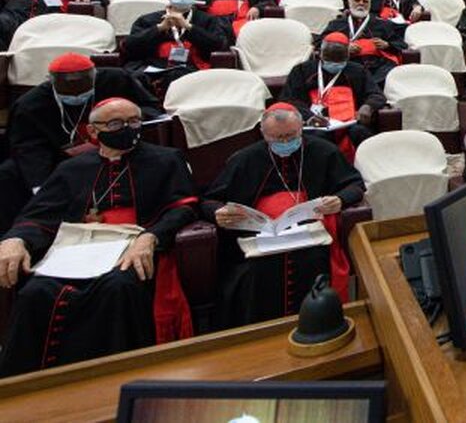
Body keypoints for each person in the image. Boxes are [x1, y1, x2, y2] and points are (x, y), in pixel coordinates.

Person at [0, 98, 198, 375]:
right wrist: (16, 239)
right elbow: (39, 215)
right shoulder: (72, 168)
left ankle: (113, 376)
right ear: (93, 131)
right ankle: (28, 382)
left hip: (132, 247)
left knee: (117, 287)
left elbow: (183, 208)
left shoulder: (165, 160)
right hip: (76, 248)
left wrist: (150, 237)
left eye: (134, 121)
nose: (128, 128)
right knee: (35, 292)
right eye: (116, 123)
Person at [204, 103, 364, 328]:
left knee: (314, 260)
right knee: (254, 272)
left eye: (292, 135)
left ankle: (319, 326)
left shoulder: (324, 151)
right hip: (259, 238)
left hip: (312, 234)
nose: (286, 142)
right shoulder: (245, 159)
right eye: (278, 138)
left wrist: (340, 199)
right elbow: (209, 200)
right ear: (263, 134)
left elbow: (355, 184)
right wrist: (218, 212)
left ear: (301, 128)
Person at [0, 53, 161, 229]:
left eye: (82, 91)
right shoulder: (30, 104)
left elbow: (151, 109)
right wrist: (42, 187)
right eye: (68, 93)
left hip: (120, 148)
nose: (76, 96)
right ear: (51, 82)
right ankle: (22, 230)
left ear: (94, 76)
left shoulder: (116, 81)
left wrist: (120, 125)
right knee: (8, 173)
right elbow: (28, 147)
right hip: (59, 160)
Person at [279, 32, 385, 158]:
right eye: (329, 58)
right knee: (315, 138)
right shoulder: (302, 70)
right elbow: (288, 99)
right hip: (313, 124)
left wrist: (368, 106)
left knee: (361, 133)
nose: (334, 63)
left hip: (349, 125)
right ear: (320, 54)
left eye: (339, 59)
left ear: (348, 55)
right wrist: (309, 117)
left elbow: (376, 94)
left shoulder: (358, 71)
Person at [124, 0, 233, 92]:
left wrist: (189, 27)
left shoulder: (208, 19)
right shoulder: (147, 19)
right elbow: (130, 46)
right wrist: (159, 28)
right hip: (154, 67)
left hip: (192, 68)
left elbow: (219, 45)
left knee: (177, 75)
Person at [320, 0, 406, 87]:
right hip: (348, 62)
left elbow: (401, 44)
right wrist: (343, 48)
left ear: (370, 5)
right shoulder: (336, 24)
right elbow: (320, 42)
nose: (361, 3)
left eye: (365, 1)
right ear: (349, 3)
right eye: (357, 0)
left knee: (389, 71)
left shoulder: (383, 24)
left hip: (377, 65)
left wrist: (386, 45)